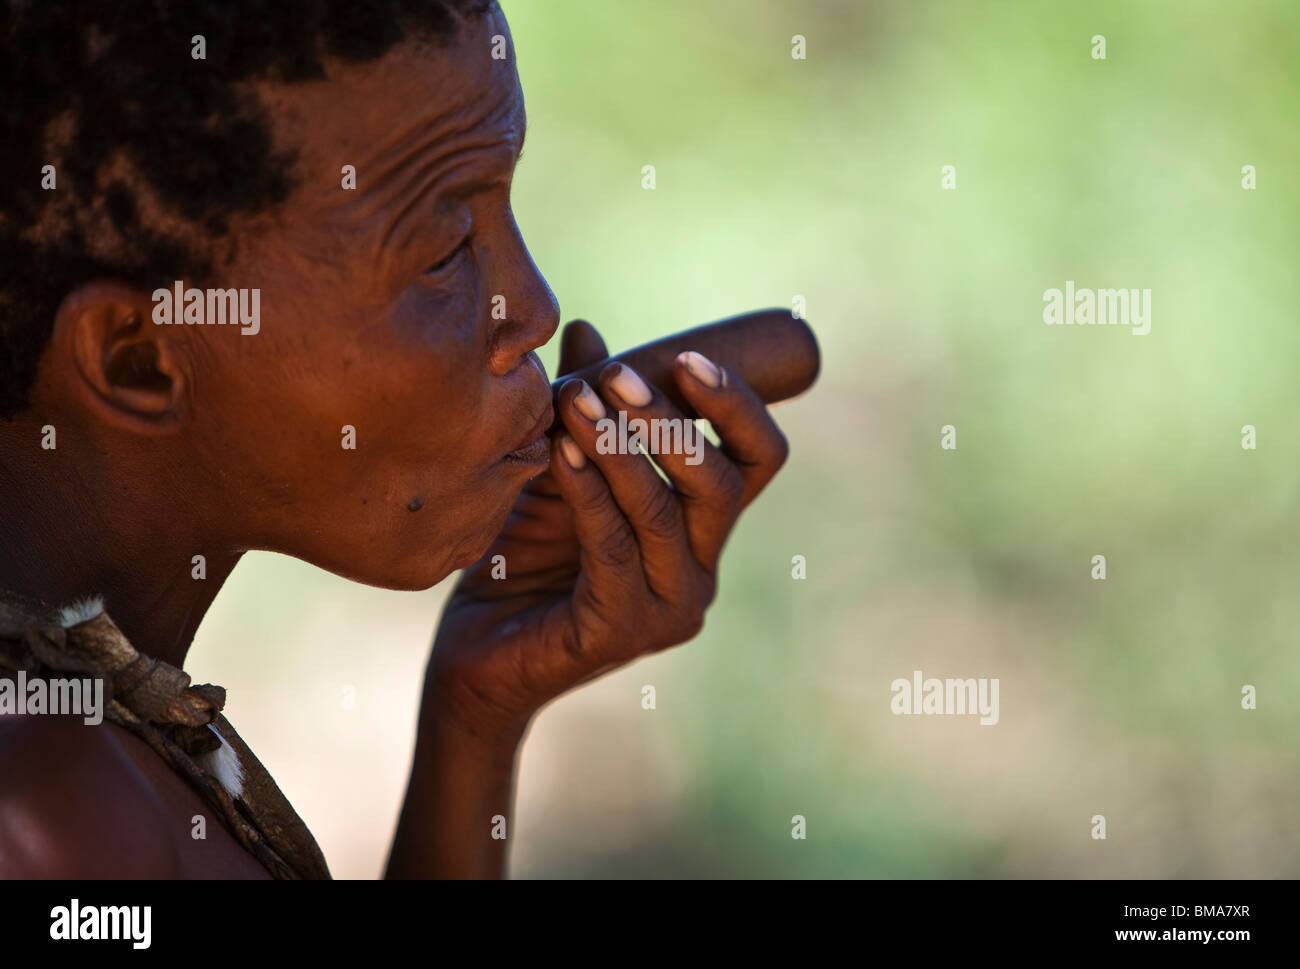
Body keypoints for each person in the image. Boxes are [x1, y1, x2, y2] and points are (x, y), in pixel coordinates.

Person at [0, 0, 789, 878]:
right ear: (140, 360)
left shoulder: (90, 738)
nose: (533, 308)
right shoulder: (47, 819)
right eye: (448, 251)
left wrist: (477, 715)